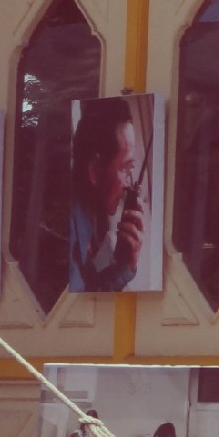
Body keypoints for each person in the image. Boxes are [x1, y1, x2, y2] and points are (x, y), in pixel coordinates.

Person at [68, 98, 149, 293]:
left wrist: (127, 264)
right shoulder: (71, 233)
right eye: (125, 168)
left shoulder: (95, 217)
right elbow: (82, 304)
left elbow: (92, 288)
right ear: (95, 171)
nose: (130, 184)